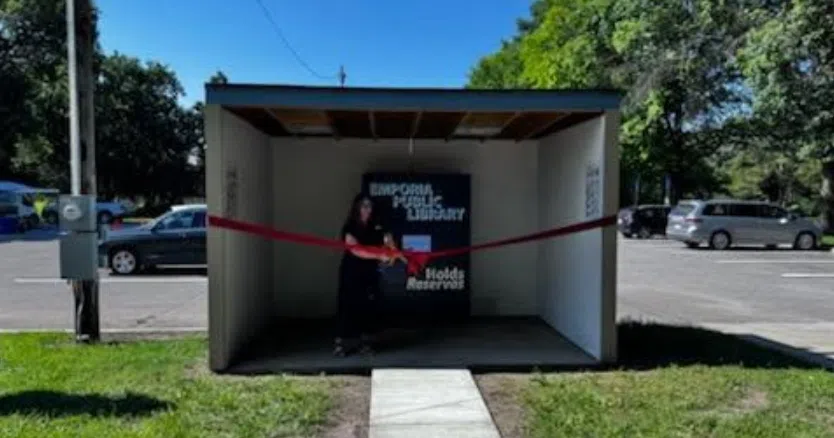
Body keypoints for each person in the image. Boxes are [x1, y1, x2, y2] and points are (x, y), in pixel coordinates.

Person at [334, 193, 402, 357]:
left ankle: (367, 343)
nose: (367, 209)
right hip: (352, 271)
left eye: (369, 206)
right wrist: (378, 256)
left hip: (370, 272)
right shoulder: (350, 226)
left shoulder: (377, 226)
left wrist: (390, 251)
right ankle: (343, 344)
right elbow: (355, 249)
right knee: (348, 305)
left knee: (368, 306)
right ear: (357, 207)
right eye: (363, 205)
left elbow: (390, 245)